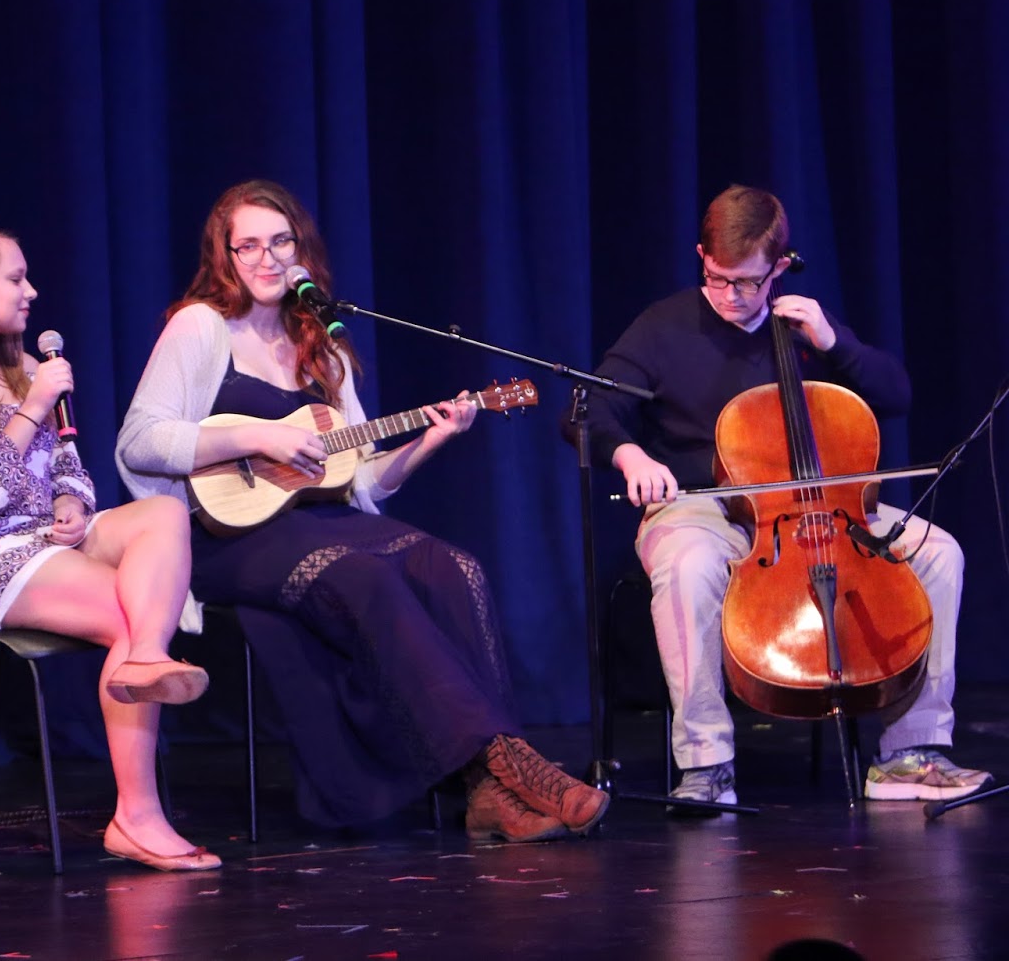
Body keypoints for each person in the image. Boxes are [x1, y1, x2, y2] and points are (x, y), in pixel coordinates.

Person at [115, 179, 608, 843]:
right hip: (223, 535)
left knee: (453, 568)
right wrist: (256, 437)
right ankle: (507, 761)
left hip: (320, 521)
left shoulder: (324, 342)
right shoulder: (200, 327)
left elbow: (362, 478)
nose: (266, 259)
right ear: (224, 256)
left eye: (280, 242)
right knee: (363, 575)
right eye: (248, 246)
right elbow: (140, 441)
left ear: (302, 249)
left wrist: (428, 442)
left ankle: (489, 794)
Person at [575, 184, 989, 808]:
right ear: (702, 257)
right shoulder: (662, 326)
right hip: (702, 504)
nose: (733, 296)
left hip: (820, 509)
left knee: (939, 553)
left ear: (778, 268)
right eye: (719, 279)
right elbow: (589, 409)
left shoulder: (800, 330)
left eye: (749, 282)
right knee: (687, 564)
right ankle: (707, 764)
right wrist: (631, 455)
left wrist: (835, 343)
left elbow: (896, 395)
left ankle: (912, 752)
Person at [0, 223, 219, 872]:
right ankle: (136, 817)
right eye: (15, 278)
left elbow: (68, 464)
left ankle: (146, 657)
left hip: (39, 541)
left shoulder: (24, 370)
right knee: (127, 611)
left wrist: (72, 502)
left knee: (163, 514)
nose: (31, 291)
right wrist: (32, 406)